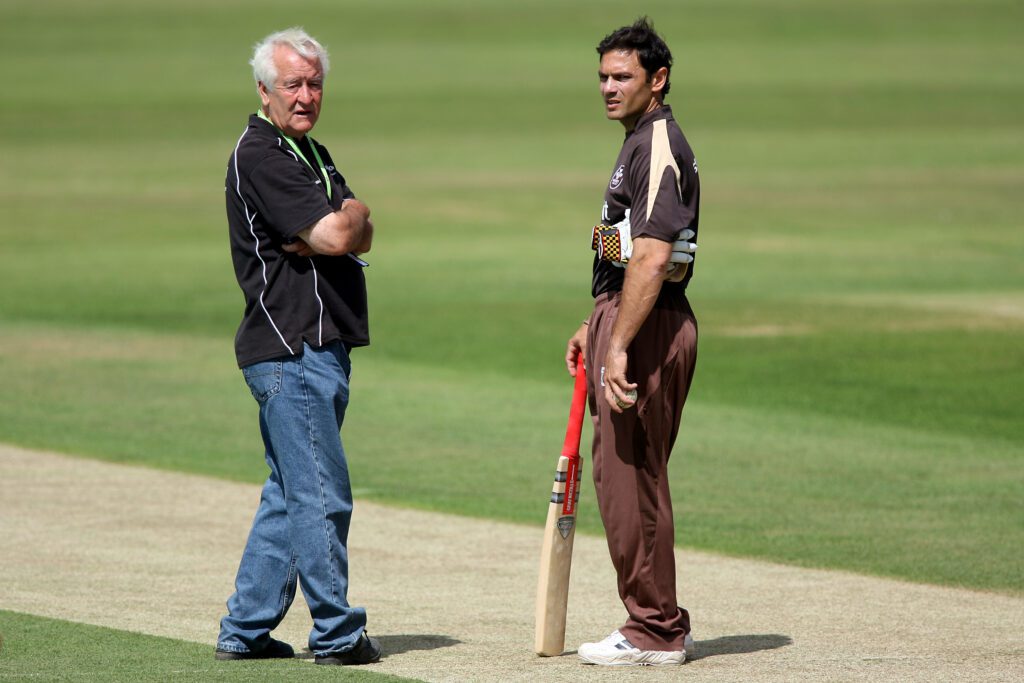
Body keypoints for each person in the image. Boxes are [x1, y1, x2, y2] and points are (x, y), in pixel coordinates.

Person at [215, 27, 380, 666]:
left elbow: (356, 227)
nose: (306, 95)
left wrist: (344, 219)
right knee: (320, 493)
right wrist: (339, 226)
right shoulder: (263, 155)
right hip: (291, 347)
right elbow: (341, 236)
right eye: (293, 84)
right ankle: (338, 634)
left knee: (290, 492)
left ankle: (246, 629)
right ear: (264, 89)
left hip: (315, 345)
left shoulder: (307, 150)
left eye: (314, 83)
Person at [565, 17, 701, 667]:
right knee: (629, 476)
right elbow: (623, 248)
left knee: (630, 479)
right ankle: (659, 618)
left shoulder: (658, 146)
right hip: (629, 318)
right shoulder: (638, 141)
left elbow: (652, 257)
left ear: (658, 78)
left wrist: (618, 342)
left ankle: (654, 628)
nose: (609, 88)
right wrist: (595, 324)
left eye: (623, 76)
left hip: (648, 326)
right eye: (603, 77)